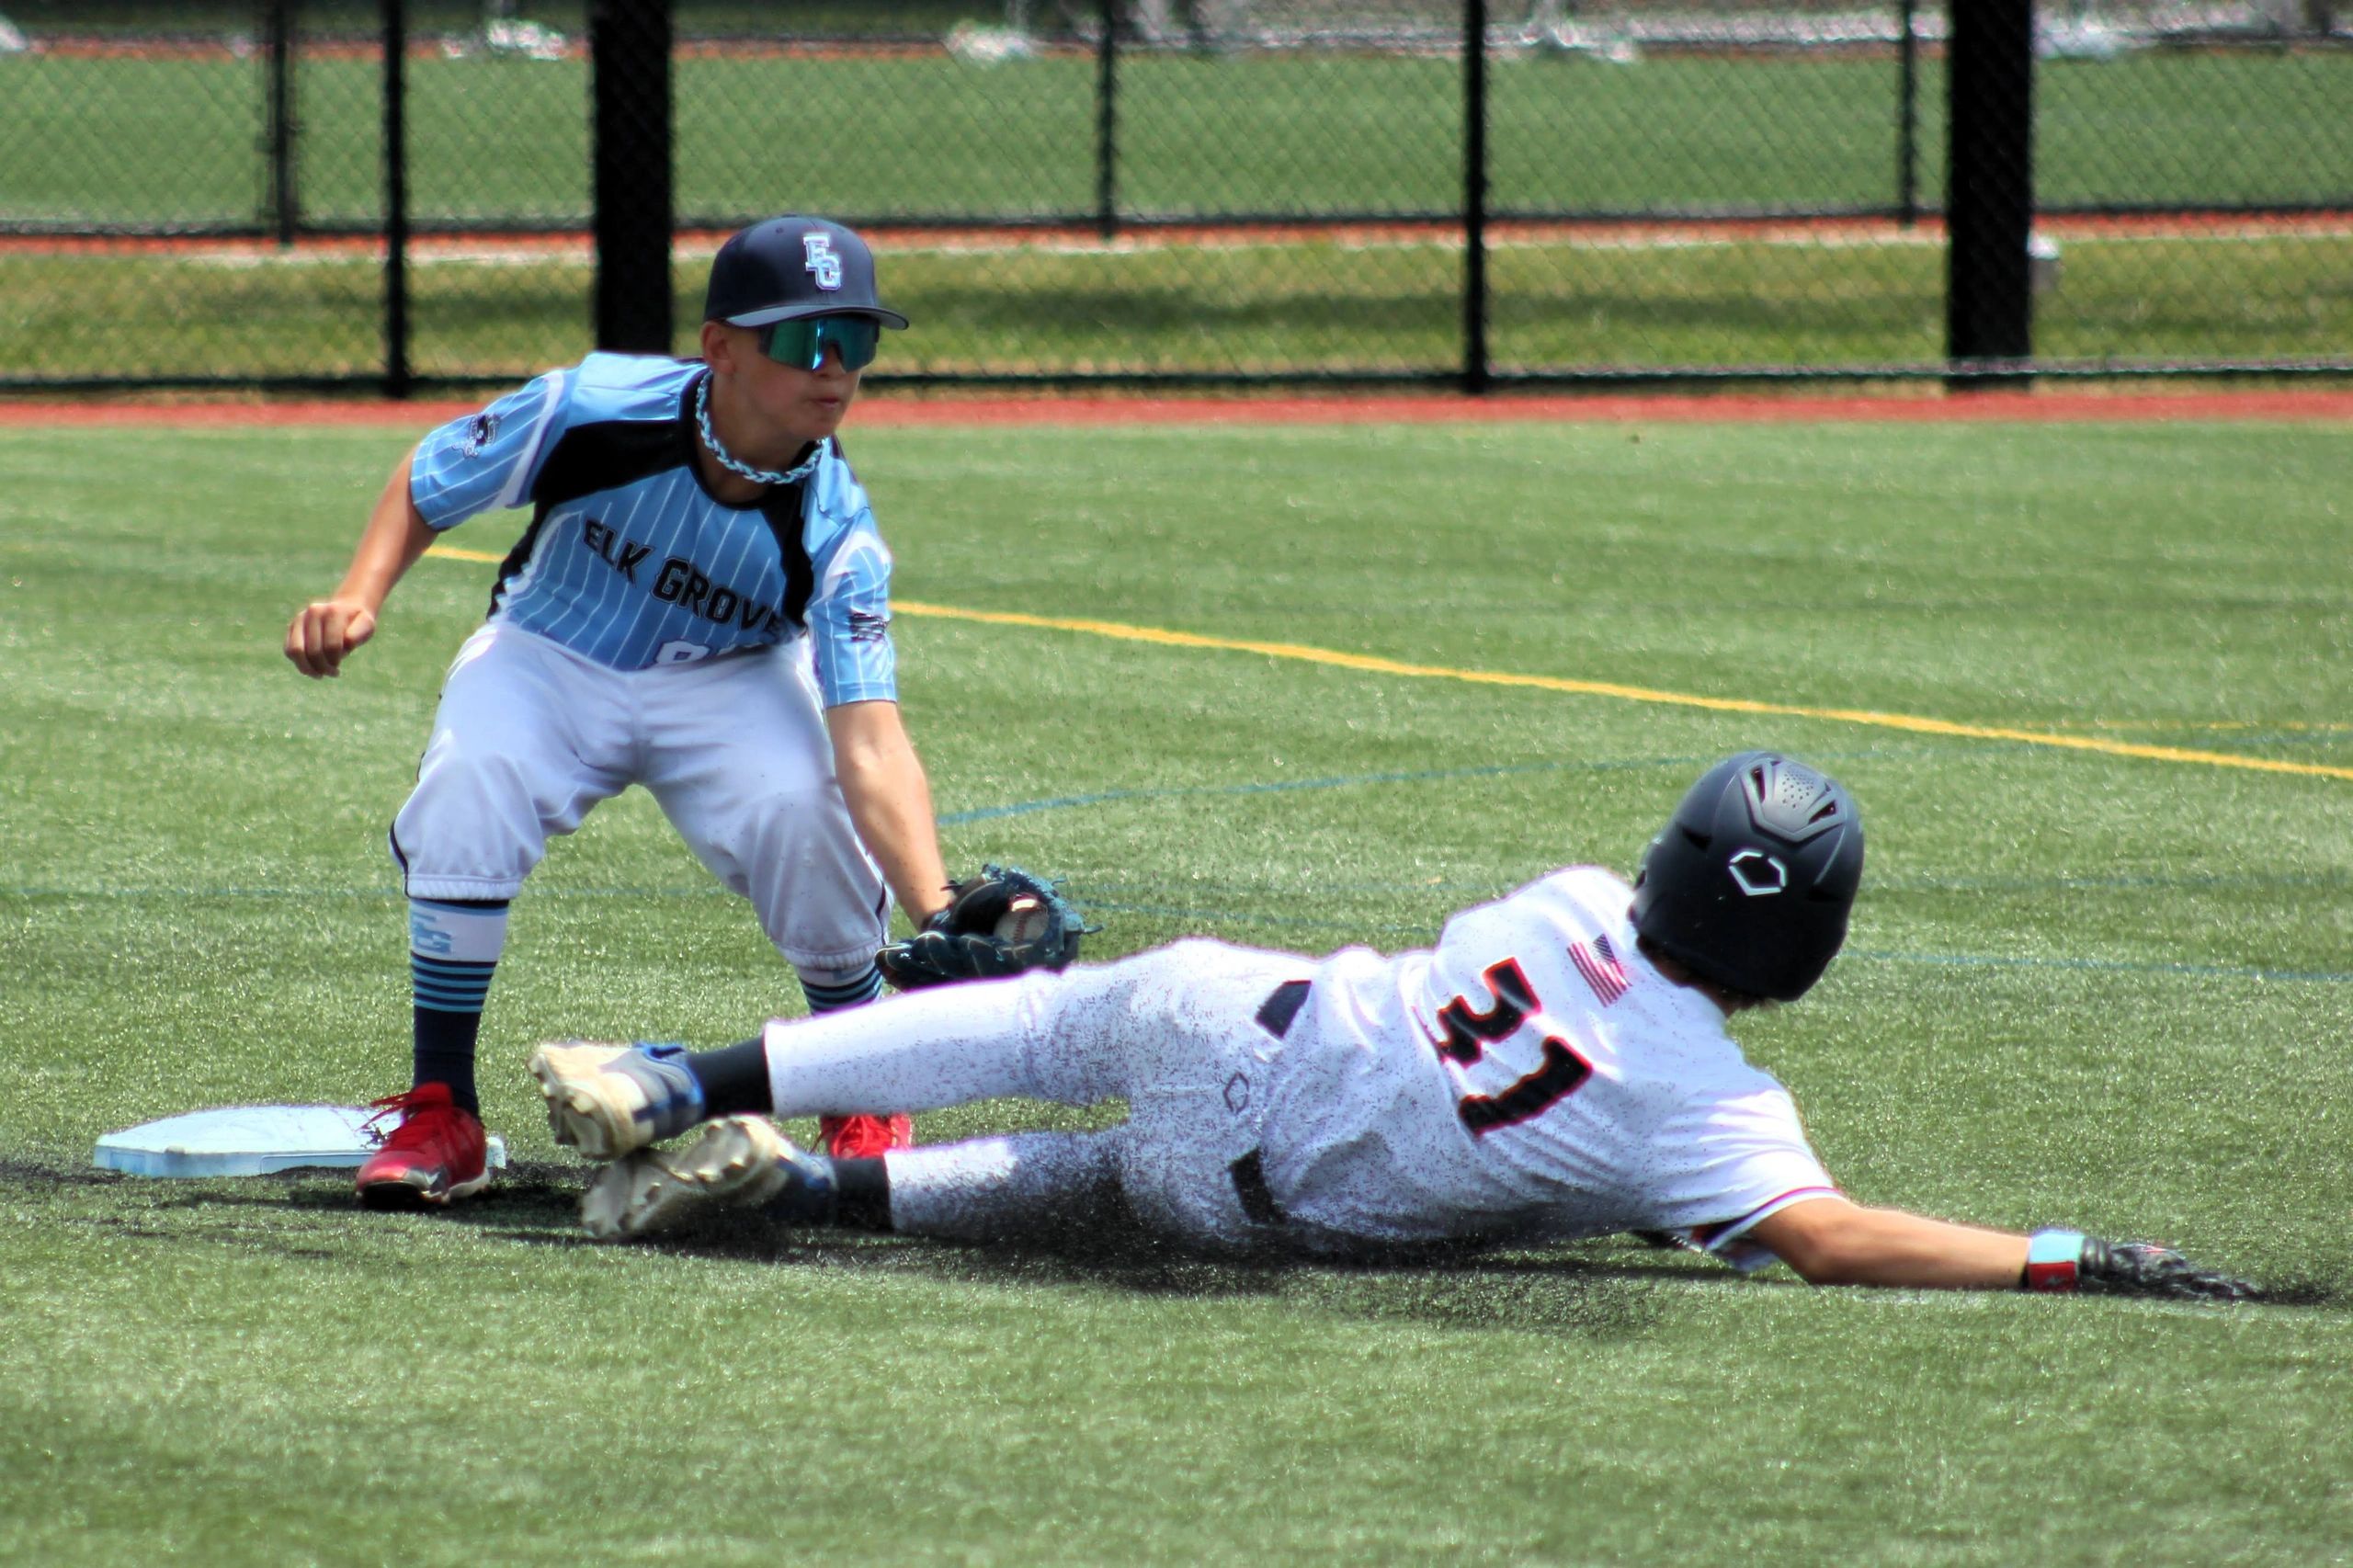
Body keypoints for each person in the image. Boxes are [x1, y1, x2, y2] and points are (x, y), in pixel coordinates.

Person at [526, 752, 2258, 1300]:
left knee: (1040, 1019)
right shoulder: (1708, 1113)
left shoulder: (1572, 897)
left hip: (1236, 999)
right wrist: (2057, 1252)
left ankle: (683, 1075)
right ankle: (808, 1200)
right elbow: (1829, 1237)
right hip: (1258, 1193)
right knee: (1102, 1192)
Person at [286, 216, 954, 1207]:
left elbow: (871, 743)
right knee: (475, 779)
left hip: (729, 678)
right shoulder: (589, 404)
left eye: (855, 342)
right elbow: (433, 475)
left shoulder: (837, 525)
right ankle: (443, 1109)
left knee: (804, 811)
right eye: (804, 340)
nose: (834, 369)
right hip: (551, 652)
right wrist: (361, 594)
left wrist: (936, 914)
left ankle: (858, 1091)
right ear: (720, 345)